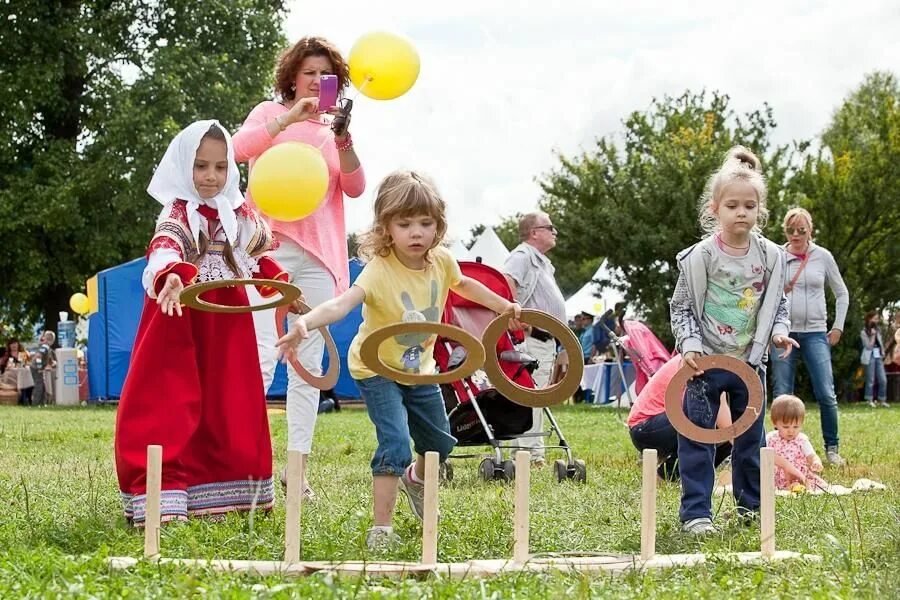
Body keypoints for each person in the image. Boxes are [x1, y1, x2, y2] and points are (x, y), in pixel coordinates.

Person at [276, 171, 522, 550]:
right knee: (394, 443)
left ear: (438, 226)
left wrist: (503, 304)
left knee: (440, 444)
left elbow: (465, 285)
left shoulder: (441, 262)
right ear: (386, 227)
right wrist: (306, 321)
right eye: (404, 224)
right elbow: (343, 303)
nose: (416, 232)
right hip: (376, 369)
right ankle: (382, 528)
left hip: (420, 370)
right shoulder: (379, 270)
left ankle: (416, 480)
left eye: (425, 223)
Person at [114, 121, 284, 526]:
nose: (211, 177)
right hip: (178, 314)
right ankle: (164, 490)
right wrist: (171, 274)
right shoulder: (177, 212)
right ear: (182, 166)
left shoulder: (238, 214)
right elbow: (163, 248)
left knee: (229, 398)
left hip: (226, 318)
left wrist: (280, 285)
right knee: (170, 398)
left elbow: (258, 258)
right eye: (201, 166)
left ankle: (225, 490)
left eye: (220, 167)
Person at [233, 36, 366, 499]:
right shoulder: (268, 113)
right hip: (265, 248)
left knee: (307, 366)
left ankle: (296, 470)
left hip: (319, 256)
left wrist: (344, 138)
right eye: (309, 72)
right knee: (259, 354)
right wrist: (288, 119)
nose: (316, 80)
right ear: (292, 76)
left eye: (325, 75)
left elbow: (354, 187)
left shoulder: (335, 129)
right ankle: (249, 466)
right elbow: (235, 151)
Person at [669, 146, 797, 535]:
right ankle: (696, 514)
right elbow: (681, 307)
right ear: (714, 210)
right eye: (732, 206)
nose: (741, 212)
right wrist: (689, 344)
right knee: (697, 439)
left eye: (749, 205)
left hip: (749, 362)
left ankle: (751, 510)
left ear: (761, 210)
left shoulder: (771, 257)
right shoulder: (700, 257)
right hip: (703, 362)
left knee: (750, 442)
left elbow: (778, 303)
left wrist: (779, 331)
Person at [770, 207, 849, 466]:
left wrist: (837, 326)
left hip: (816, 332)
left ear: (810, 230)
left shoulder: (823, 256)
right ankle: (779, 449)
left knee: (826, 393)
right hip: (784, 332)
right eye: (790, 230)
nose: (795, 235)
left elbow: (841, 293)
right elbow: (766, 294)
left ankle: (832, 448)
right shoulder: (777, 256)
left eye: (801, 230)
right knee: (782, 394)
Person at [502, 211, 567, 466]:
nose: (555, 232)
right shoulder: (522, 255)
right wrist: (514, 314)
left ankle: (529, 454)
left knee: (534, 397)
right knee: (531, 396)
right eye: (550, 227)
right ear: (534, 232)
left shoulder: (538, 260)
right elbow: (506, 280)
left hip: (544, 340)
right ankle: (529, 457)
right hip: (531, 339)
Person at [628, 355, 733, 481]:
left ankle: (691, 477)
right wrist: (747, 449)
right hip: (645, 427)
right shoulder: (702, 357)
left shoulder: (708, 356)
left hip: (657, 424)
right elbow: (721, 415)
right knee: (708, 421)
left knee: (722, 431)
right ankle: (663, 477)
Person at [766, 395, 828, 492]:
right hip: (776, 477)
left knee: (803, 485)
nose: (791, 431)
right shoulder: (770, 438)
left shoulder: (802, 440)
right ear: (774, 423)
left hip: (798, 475)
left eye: (796, 427)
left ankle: (796, 487)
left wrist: (816, 462)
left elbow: (811, 456)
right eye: (786, 427)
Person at [860, 311, 888, 408]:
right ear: (869, 319)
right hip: (869, 356)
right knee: (870, 379)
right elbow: (868, 346)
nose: (876, 321)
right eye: (875, 319)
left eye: (877, 319)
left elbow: (880, 342)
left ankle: (882, 399)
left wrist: (883, 351)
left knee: (883, 379)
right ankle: (869, 399)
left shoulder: (878, 330)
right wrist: (872, 335)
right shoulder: (863, 332)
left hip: (878, 355)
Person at [31, 331, 56, 406]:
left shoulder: (46, 348)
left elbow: (48, 358)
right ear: (52, 340)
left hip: (37, 368)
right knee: (39, 385)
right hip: (36, 368)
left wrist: (52, 363)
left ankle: (42, 402)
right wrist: (39, 367)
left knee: (42, 385)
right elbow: (38, 357)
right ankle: (36, 403)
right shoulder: (45, 347)